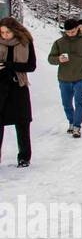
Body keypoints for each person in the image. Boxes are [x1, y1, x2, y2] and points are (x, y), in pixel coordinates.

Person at [48, 17, 82, 138]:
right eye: (68, 32)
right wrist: (58, 59)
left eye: (72, 31)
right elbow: (50, 59)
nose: (70, 34)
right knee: (66, 103)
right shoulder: (59, 43)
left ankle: (77, 126)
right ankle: (71, 122)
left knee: (79, 102)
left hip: (81, 77)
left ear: (77, 29)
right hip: (64, 78)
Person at [0, 16, 37, 167]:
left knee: (22, 123)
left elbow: (31, 66)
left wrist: (9, 65)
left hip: (18, 87)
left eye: (7, 32)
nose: (5, 35)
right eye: (2, 32)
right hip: (0, 87)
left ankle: (24, 157)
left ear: (15, 31)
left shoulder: (25, 43)